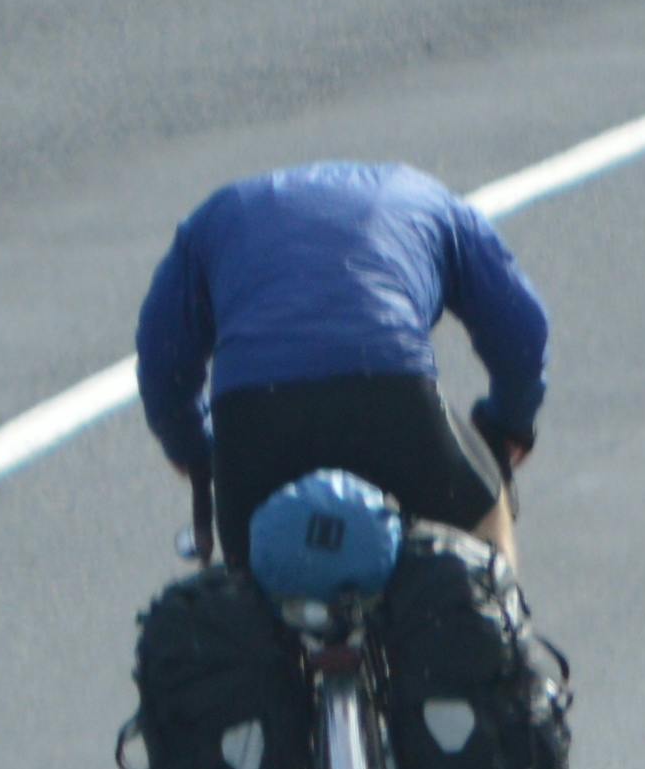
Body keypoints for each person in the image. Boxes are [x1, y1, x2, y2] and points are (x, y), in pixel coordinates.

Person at [137, 160, 545, 570]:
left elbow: (162, 358)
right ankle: (500, 622)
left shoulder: (217, 216)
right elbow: (522, 332)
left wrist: (193, 449)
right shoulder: (429, 201)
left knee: (248, 585)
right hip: (391, 393)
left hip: (255, 416)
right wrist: (509, 422)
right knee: (483, 523)